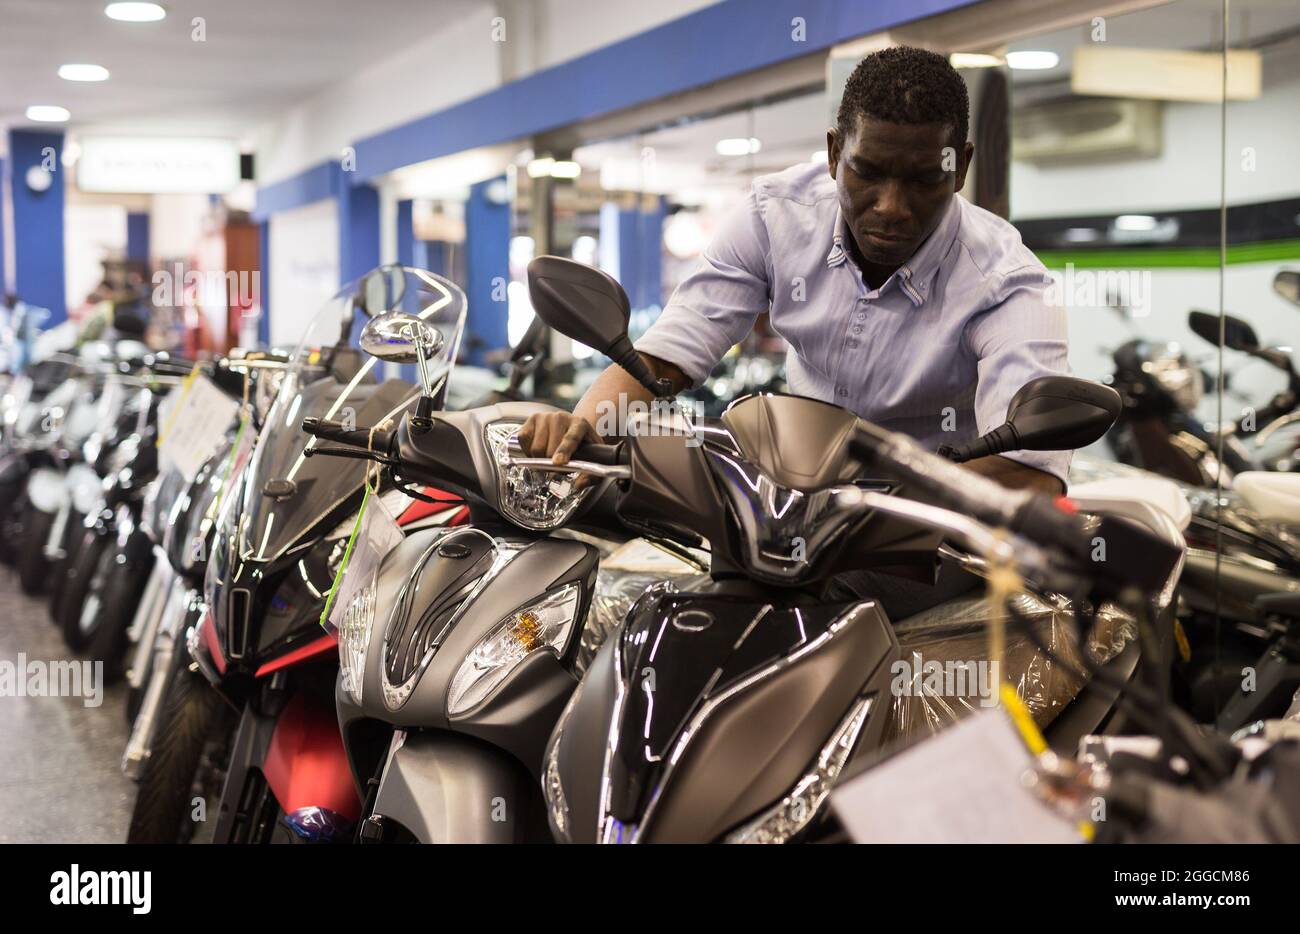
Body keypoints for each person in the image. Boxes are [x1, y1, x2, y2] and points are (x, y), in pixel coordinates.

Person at [518, 46, 1071, 617]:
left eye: (924, 180)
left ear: (961, 166)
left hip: (926, 545)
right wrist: (584, 428)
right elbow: (666, 355)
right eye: (869, 172)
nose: (891, 207)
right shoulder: (774, 216)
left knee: (811, 634)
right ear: (835, 153)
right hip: (779, 525)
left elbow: (1029, 470)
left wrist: (867, 507)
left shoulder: (1007, 282)